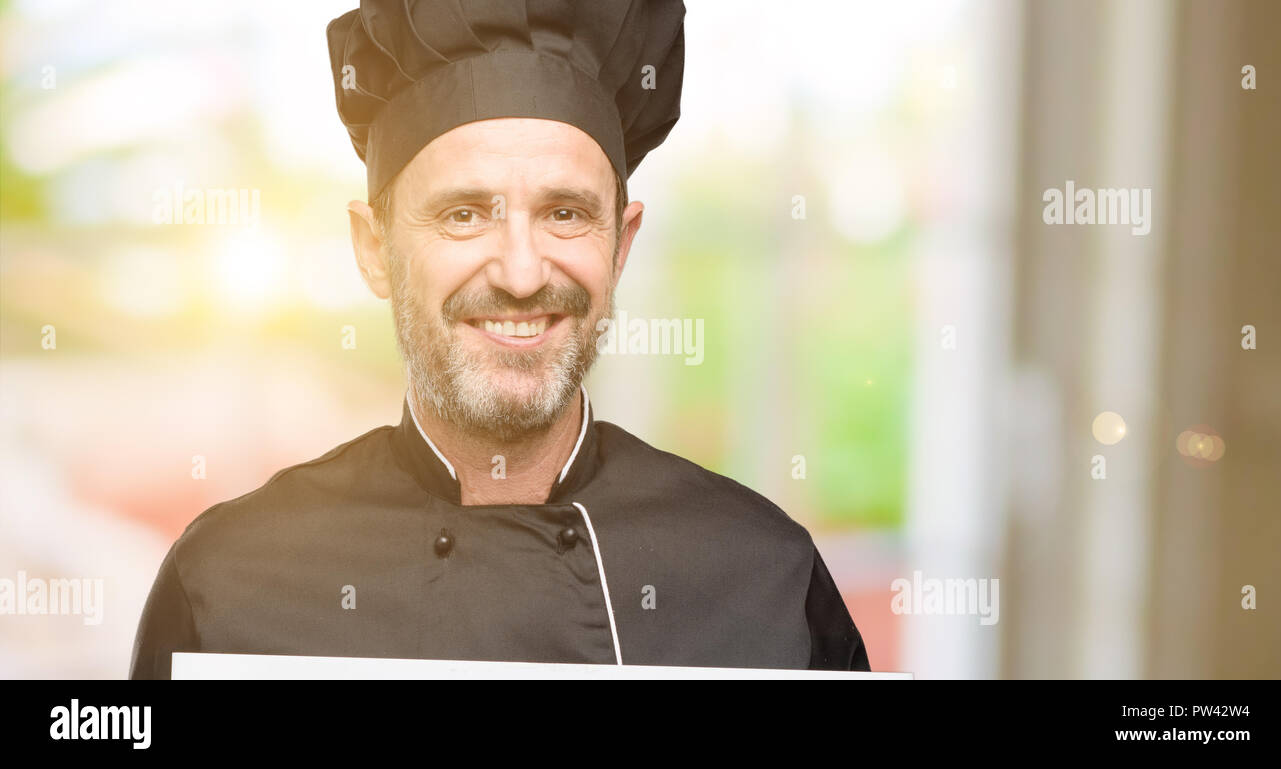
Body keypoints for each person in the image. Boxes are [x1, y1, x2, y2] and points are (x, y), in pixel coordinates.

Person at [129, 0, 868, 679]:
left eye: (566, 213)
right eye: (464, 215)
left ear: (621, 245)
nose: (521, 273)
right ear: (373, 247)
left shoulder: (766, 578)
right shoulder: (228, 585)